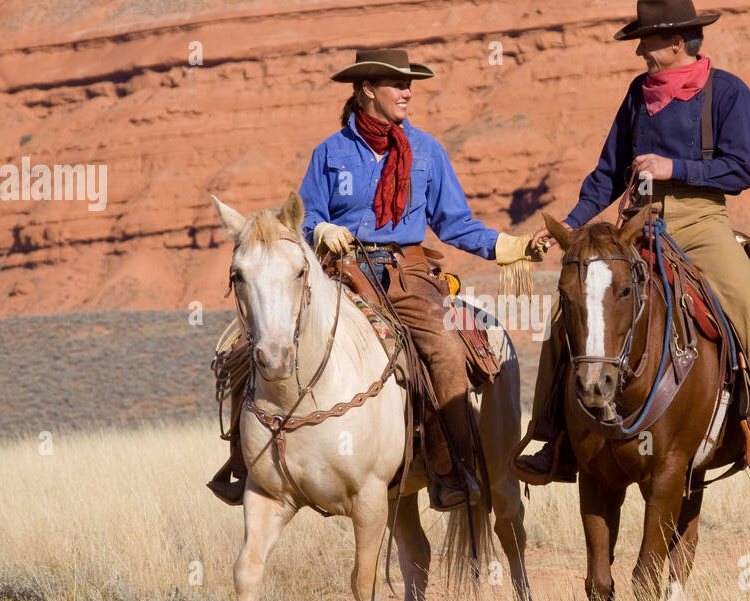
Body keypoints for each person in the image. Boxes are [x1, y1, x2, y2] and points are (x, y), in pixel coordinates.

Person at [208, 48, 540, 509]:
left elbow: (456, 223)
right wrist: (319, 229)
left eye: (409, 84)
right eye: (397, 84)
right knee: (256, 343)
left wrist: (509, 246)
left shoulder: (427, 150)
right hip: (337, 274)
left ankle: (454, 470)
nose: (407, 92)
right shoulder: (330, 152)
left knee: (443, 349)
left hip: (406, 275)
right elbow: (302, 220)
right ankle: (246, 463)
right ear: (367, 90)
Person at [514, 0, 750, 481]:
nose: (642, 52)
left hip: (700, 222)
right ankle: (550, 432)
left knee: (747, 304)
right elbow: (606, 172)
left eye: (650, 42)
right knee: (569, 308)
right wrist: (573, 223)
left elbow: (739, 170)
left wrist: (673, 167)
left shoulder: (728, 92)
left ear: (678, 42)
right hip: (634, 224)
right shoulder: (637, 93)